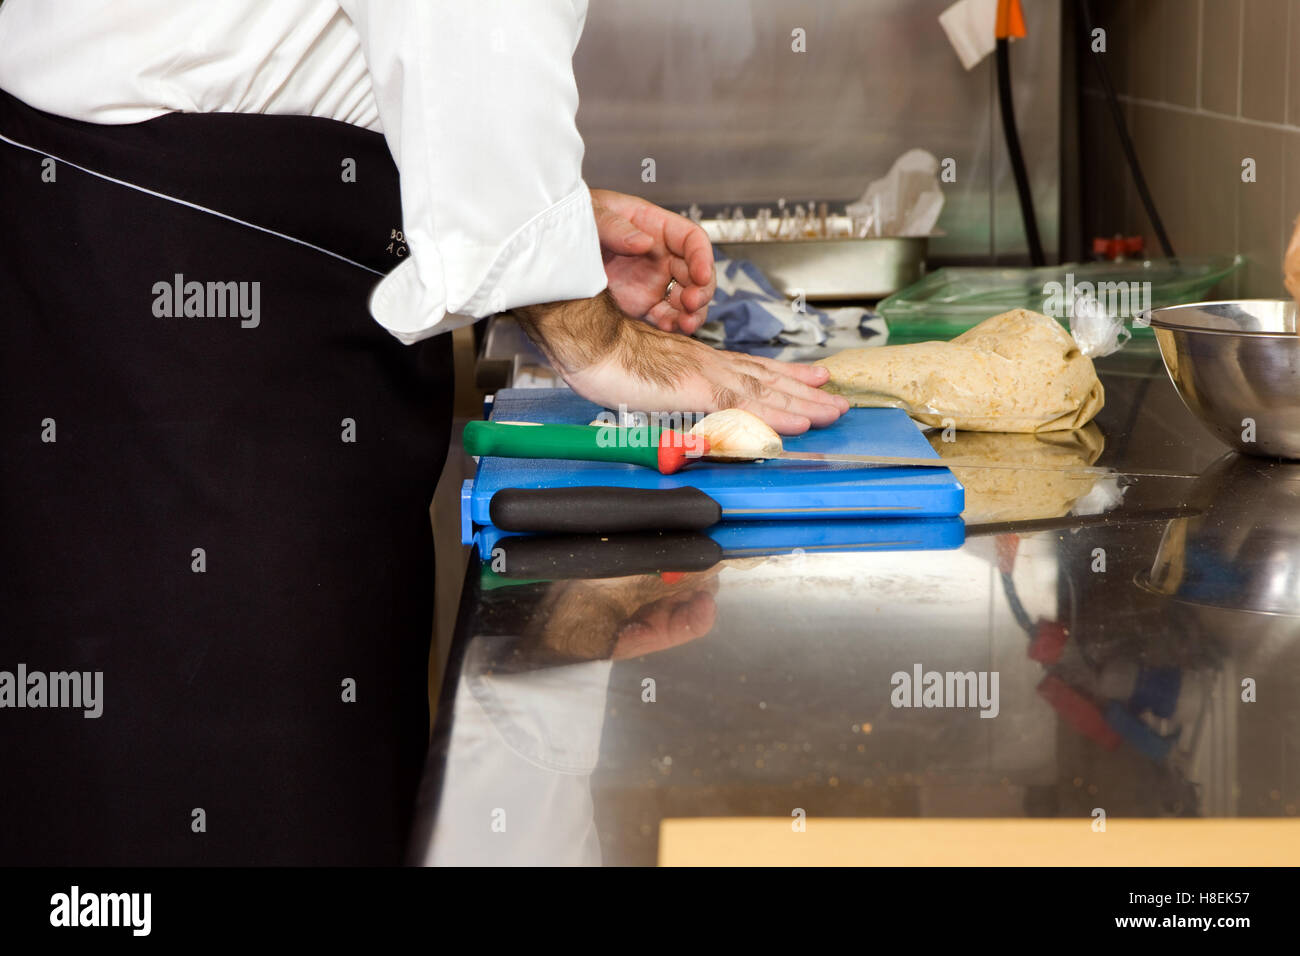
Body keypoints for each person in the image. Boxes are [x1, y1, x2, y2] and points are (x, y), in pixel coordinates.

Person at [0, 0, 845, 865]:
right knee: (214, 784)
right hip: (197, 296)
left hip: (182, 241)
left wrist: (530, 220)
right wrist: (591, 330)